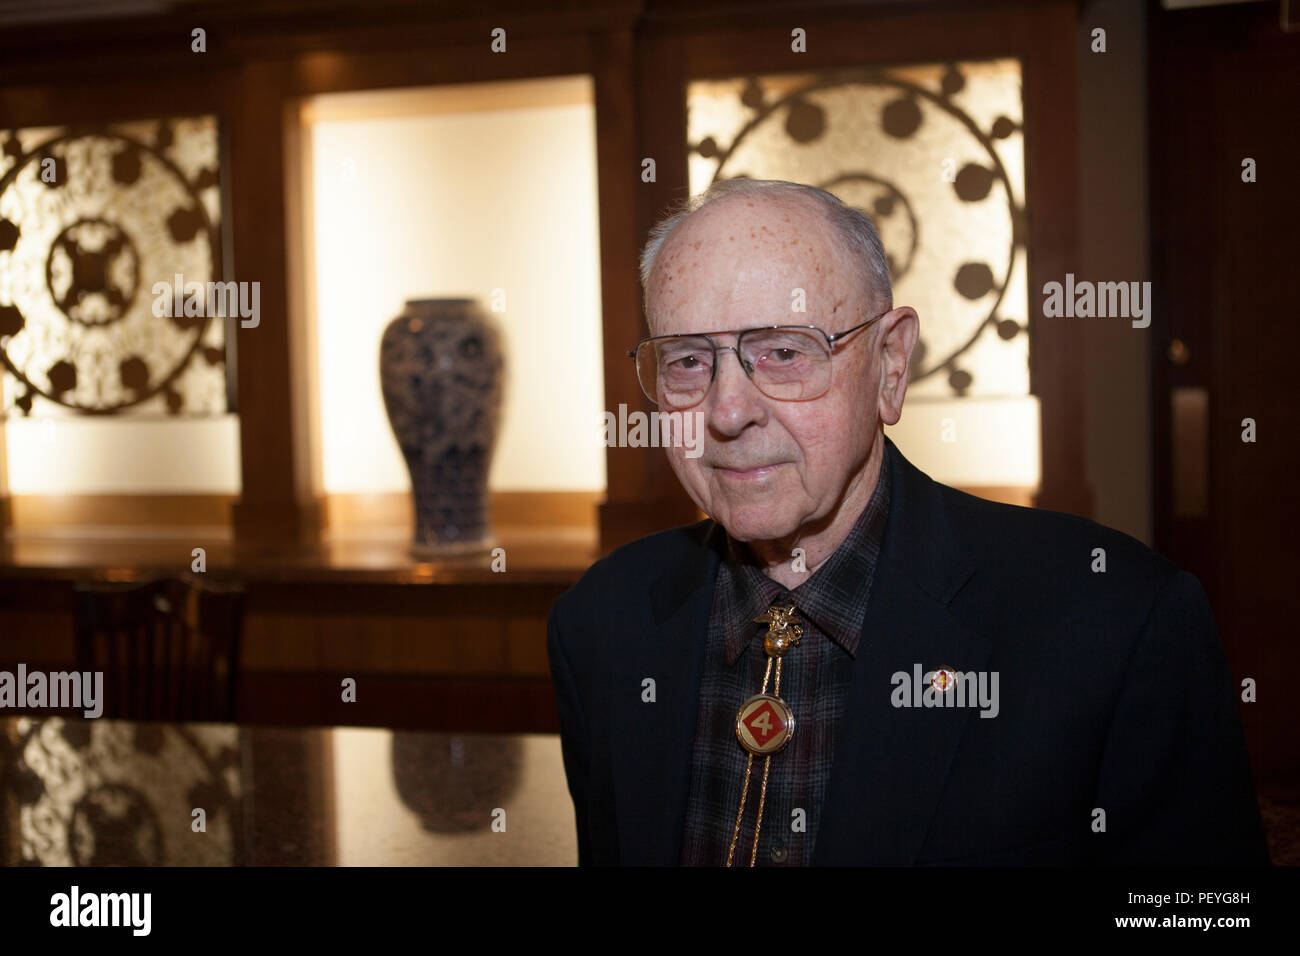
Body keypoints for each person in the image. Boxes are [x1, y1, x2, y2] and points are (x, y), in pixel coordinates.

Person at [546, 178, 1268, 866]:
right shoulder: (601, 624)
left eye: (784, 353)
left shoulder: (1115, 624)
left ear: (890, 365)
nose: (728, 411)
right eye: (687, 362)